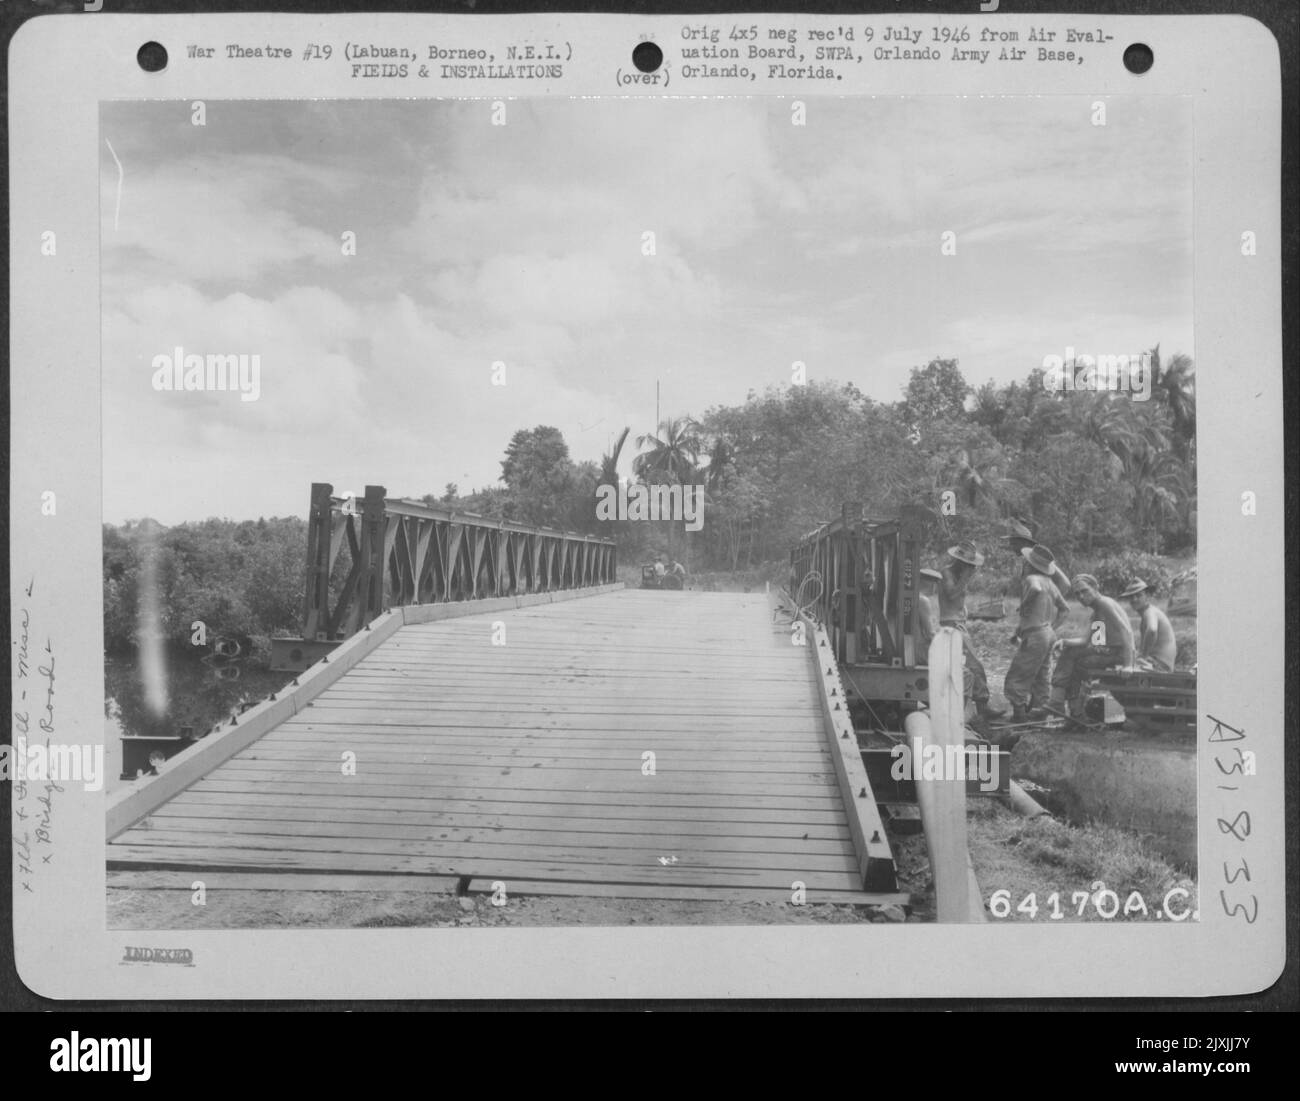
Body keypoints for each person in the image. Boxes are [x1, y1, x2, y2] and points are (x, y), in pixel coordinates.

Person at [1004, 544, 1071, 722]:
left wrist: (1024, 604)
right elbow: (1065, 610)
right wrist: (1050, 628)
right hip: (1047, 633)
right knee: (1042, 676)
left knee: (1018, 674)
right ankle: (1040, 715)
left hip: (1036, 635)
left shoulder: (1032, 578)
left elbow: (1035, 589)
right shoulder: (1050, 583)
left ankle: (1019, 716)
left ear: (1028, 564)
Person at [938, 541, 1005, 720]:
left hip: (958, 622)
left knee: (965, 667)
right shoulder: (947, 572)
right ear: (960, 562)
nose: (971, 568)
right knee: (975, 665)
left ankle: (971, 707)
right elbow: (951, 594)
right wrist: (966, 577)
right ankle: (982, 706)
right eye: (968, 565)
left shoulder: (958, 574)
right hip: (951, 623)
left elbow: (957, 599)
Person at [1051, 574, 1136, 715]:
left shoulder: (1104, 604)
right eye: (1077, 593)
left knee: (1076, 663)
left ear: (1096, 588)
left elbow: (1126, 631)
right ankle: (1067, 707)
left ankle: (1062, 704)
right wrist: (1064, 641)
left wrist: (1128, 664)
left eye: (1084, 591)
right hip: (1110, 652)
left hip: (1120, 655)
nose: (1081, 596)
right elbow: (1090, 641)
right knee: (1070, 653)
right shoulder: (1097, 611)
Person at [1121, 579, 1177, 672]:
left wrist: (1143, 656)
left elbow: (1152, 630)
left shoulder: (1150, 612)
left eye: (1138, 595)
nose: (1134, 599)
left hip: (1160, 665)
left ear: (1147, 596)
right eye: (1131, 597)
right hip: (1157, 662)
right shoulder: (1146, 614)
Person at [1004, 520, 1071, 597]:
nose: (1011, 547)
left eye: (1014, 544)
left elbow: (1065, 584)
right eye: (1011, 544)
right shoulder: (1026, 561)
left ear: (1025, 543)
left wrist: (1050, 601)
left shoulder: (1039, 558)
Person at [917, 567, 941, 656]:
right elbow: (930, 633)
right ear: (932, 585)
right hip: (919, 650)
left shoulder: (913, 597)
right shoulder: (923, 600)